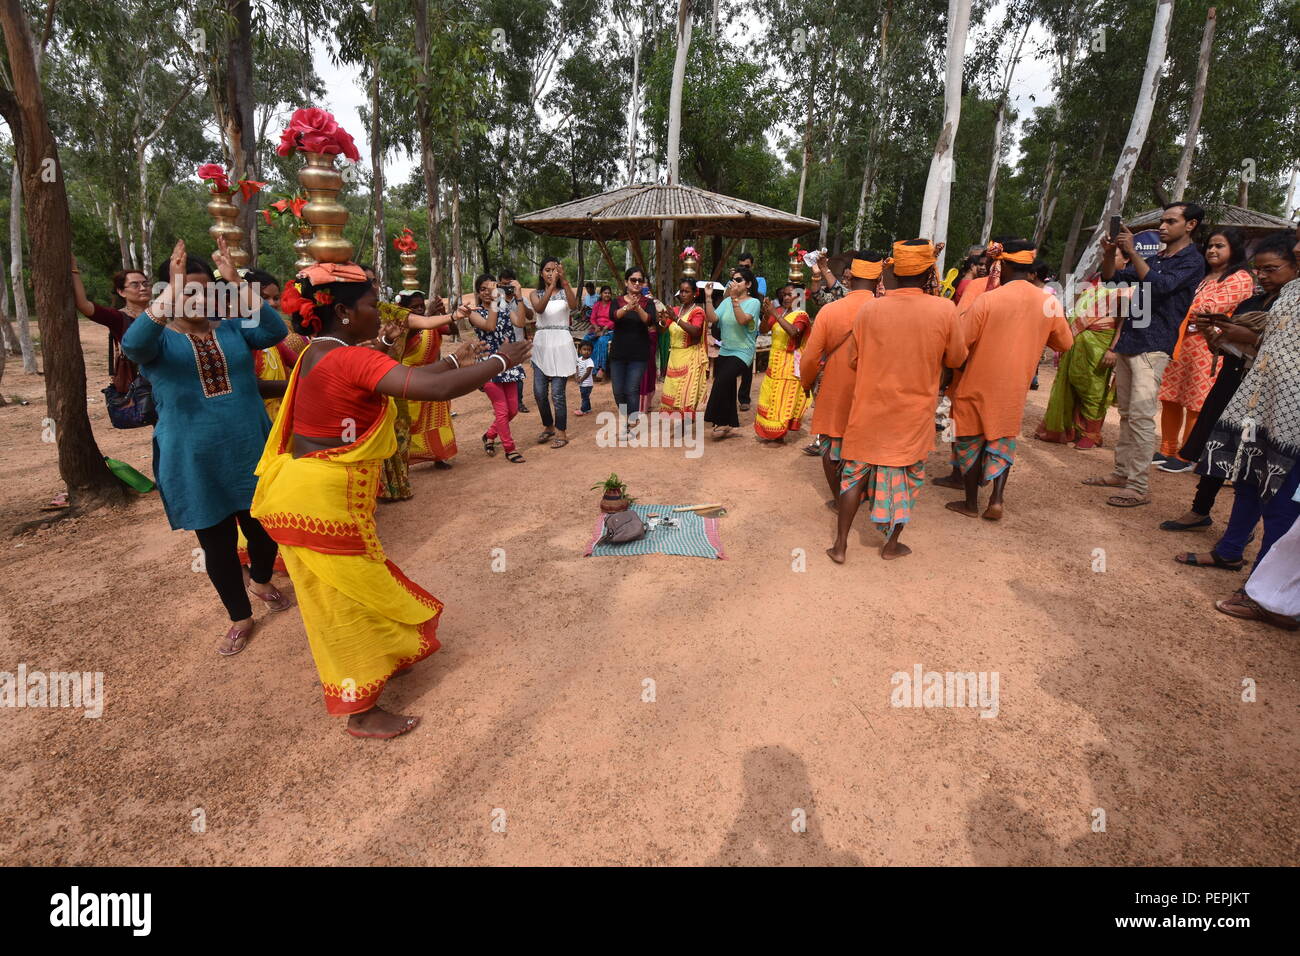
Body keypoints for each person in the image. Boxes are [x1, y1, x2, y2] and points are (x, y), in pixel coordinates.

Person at [253, 260, 532, 738]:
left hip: (312, 496)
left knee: (361, 589)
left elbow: (409, 374)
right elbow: (431, 389)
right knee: (342, 605)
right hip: (320, 503)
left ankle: (384, 660)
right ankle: (361, 711)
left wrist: (455, 359)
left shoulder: (320, 351)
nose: (378, 315)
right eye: (368, 305)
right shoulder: (347, 357)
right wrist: (502, 359)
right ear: (342, 311)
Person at [122, 238, 292, 655]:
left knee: (265, 527)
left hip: (249, 445)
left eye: (204, 290)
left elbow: (274, 330)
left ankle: (263, 580)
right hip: (194, 456)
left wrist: (235, 280)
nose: (197, 299)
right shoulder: (158, 339)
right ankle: (239, 617)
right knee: (216, 544)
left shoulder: (232, 326)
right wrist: (171, 293)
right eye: (185, 290)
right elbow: (132, 346)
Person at [828, 241, 967, 563]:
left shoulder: (870, 309)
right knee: (906, 478)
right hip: (912, 413)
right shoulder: (944, 309)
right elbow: (958, 357)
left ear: (894, 270)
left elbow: (853, 359)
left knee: (854, 474)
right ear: (929, 272)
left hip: (868, 408)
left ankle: (840, 545)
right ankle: (891, 545)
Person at [1175, 242, 1300, 580]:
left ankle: (1264, 584)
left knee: (1280, 498)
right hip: (1254, 399)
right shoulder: (1284, 295)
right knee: (1245, 478)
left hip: (1289, 416)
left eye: (1270, 268)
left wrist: (1251, 337)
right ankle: (1230, 550)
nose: (1261, 275)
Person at [1083, 202, 1207, 507]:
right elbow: (1112, 278)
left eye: (1170, 221)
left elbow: (1161, 286)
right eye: (1162, 221)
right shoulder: (1158, 257)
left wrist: (1135, 252)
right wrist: (1111, 251)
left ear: (1190, 225)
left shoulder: (1192, 260)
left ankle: (1137, 486)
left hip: (1153, 346)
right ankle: (1121, 473)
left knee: (1140, 416)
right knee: (1127, 415)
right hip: (1130, 341)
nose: (1163, 226)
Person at [939, 241, 1074, 520]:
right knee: (1002, 438)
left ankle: (971, 503)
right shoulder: (1048, 302)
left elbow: (960, 346)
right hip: (1015, 385)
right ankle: (997, 500)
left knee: (970, 439)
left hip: (977, 381)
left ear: (1004, 264)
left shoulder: (988, 300)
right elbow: (1065, 342)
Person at [1155, 228, 1254, 472]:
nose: (1212, 250)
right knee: (1170, 397)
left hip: (1210, 348)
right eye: (1210, 245)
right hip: (1181, 344)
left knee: (1197, 403)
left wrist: (1181, 310)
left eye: (1219, 246)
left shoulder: (1240, 277)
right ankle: (1166, 449)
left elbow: (1210, 310)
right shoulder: (1202, 275)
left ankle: (1187, 455)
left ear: (1234, 249)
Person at [800, 252, 882, 506]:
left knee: (832, 444)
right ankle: (864, 494)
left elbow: (811, 358)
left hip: (836, 389)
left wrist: (806, 383)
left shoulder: (830, 311)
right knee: (869, 445)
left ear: (852, 276)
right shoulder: (887, 310)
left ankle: (840, 499)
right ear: (879, 277)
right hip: (876, 392)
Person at [1033, 277, 1129, 448]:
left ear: (1126, 259)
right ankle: (1070, 429)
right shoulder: (1093, 281)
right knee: (1071, 382)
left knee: (1094, 388)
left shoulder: (1127, 286)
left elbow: (1123, 322)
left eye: (1116, 254)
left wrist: (1114, 348)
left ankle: (1091, 433)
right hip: (1077, 341)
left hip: (1101, 344)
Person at [463, 273, 528, 462]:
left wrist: (519, 296)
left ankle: (490, 435)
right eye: (482, 289)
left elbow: (521, 323)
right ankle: (510, 448)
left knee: (513, 410)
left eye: (489, 288)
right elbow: (490, 326)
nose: (486, 292)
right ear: (477, 292)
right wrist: (495, 299)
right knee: (501, 409)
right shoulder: (473, 313)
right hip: (488, 365)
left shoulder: (504, 306)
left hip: (508, 362)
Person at [702, 266, 761, 438]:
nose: (734, 282)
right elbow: (713, 318)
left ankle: (714, 416)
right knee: (727, 386)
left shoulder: (753, 303)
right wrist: (708, 298)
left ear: (748, 284)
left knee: (721, 381)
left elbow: (742, 320)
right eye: (733, 279)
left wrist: (734, 299)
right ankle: (726, 423)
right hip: (725, 350)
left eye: (739, 280)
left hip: (743, 352)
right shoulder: (726, 301)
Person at [528, 256, 580, 448]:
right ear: (541, 273)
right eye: (547, 270)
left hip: (561, 344)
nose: (551, 273)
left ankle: (561, 431)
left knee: (557, 393)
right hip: (542, 345)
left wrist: (564, 281)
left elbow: (574, 306)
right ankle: (548, 426)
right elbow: (540, 309)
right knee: (539, 393)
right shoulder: (535, 293)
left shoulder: (566, 290)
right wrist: (550, 287)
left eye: (554, 269)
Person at [754, 284, 810, 442]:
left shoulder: (801, 315)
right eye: (784, 295)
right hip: (774, 361)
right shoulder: (780, 312)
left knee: (783, 399)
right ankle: (770, 430)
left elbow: (794, 332)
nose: (785, 298)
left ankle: (779, 433)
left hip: (790, 364)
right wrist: (766, 315)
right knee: (770, 397)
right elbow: (764, 330)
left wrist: (775, 315)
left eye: (789, 295)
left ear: (798, 297)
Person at [608, 266, 656, 433]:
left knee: (631, 389)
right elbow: (614, 316)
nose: (636, 283)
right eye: (633, 280)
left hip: (639, 354)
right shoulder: (617, 301)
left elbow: (650, 321)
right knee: (618, 390)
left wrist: (638, 308)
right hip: (618, 353)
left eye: (639, 281)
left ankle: (630, 422)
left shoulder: (648, 303)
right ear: (626, 282)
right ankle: (626, 417)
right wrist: (628, 307)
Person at [659, 279, 708, 418]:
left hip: (690, 357)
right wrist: (662, 320)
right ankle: (681, 422)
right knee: (673, 392)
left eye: (687, 291)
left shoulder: (698, 311)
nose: (683, 294)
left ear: (694, 294)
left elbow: (696, 331)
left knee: (686, 394)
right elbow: (663, 329)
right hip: (674, 357)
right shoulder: (675, 310)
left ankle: (686, 422)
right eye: (681, 291)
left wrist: (676, 319)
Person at [498, 268, 531, 413]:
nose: (507, 288)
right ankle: (503, 403)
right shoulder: (496, 299)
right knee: (500, 373)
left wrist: (519, 298)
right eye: (504, 285)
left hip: (517, 341)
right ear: (499, 284)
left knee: (517, 373)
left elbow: (530, 316)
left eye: (509, 285)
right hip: (500, 343)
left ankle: (519, 401)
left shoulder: (521, 298)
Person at [736, 252, 765, 409]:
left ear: (751, 266)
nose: (743, 268)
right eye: (741, 266)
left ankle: (744, 398)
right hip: (733, 325)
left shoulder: (758, 281)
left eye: (746, 266)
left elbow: (759, 299)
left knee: (747, 364)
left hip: (750, 325)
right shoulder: (734, 280)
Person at [588, 285, 616, 380]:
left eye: (609, 293)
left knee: (602, 341)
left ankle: (600, 369)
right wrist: (596, 327)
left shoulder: (613, 305)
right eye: (605, 293)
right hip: (597, 328)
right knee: (587, 339)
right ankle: (587, 366)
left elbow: (614, 319)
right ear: (601, 294)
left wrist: (604, 329)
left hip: (609, 330)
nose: (607, 295)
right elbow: (592, 318)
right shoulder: (597, 304)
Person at [574, 341, 595, 415]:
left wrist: (581, 380)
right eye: (584, 349)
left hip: (587, 384)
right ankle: (588, 409)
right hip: (582, 383)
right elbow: (577, 368)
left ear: (591, 352)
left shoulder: (590, 361)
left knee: (584, 397)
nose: (586, 352)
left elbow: (588, 372)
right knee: (585, 396)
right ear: (580, 350)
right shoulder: (579, 359)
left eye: (589, 350)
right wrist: (576, 376)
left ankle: (583, 410)